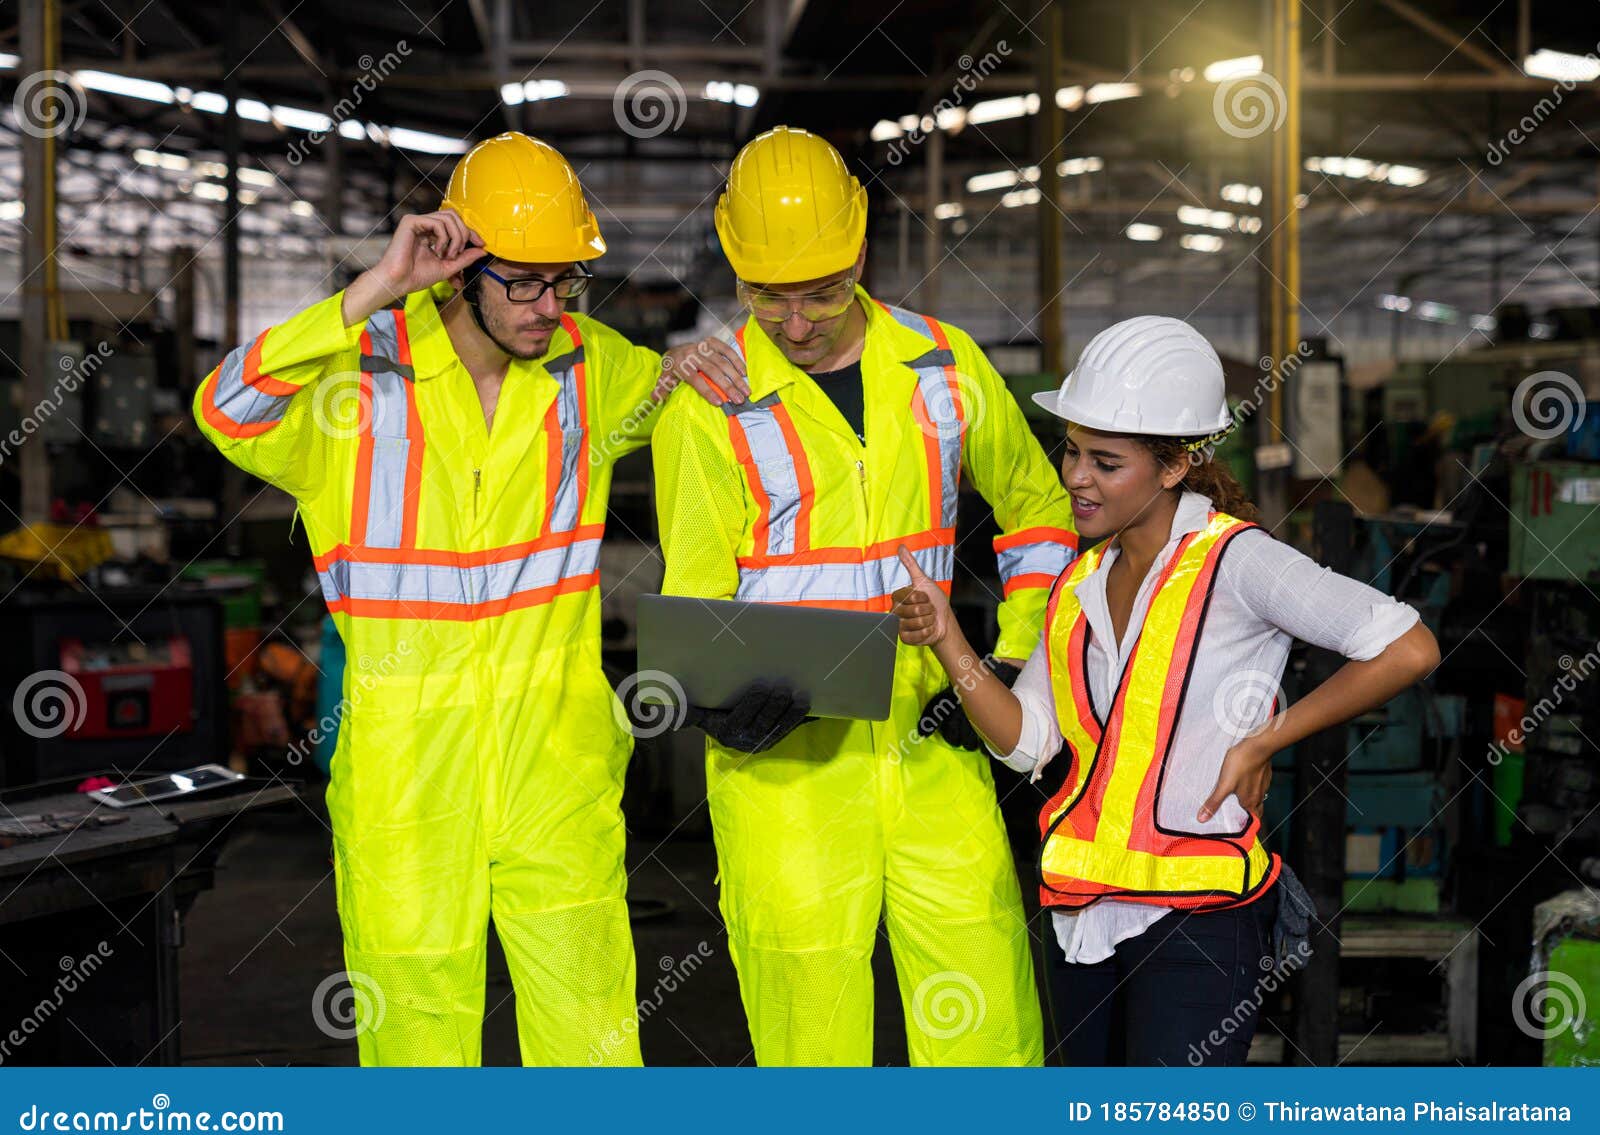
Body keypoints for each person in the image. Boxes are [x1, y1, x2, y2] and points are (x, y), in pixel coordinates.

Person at [193, 132, 742, 1066]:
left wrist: (691, 368)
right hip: (409, 773)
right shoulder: (357, 374)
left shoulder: (586, 366)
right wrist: (373, 286)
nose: (549, 306)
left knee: (590, 1029)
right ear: (459, 273)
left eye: (565, 281)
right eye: (523, 283)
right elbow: (227, 408)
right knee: (416, 1031)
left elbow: (670, 393)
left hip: (555, 763)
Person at [891, 315, 1440, 1066]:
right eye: (1073, 451)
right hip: (1080, 921)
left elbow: (1406, 644)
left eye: (1105, 462)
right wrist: (951, 641)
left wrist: (1267, 738)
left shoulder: (1238, 562)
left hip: (1200, 928)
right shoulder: (1076, 586)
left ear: (1175, 466)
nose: (1075, 477)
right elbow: (1027, 744)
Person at [651, 126, 1078, 1065]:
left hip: (937, 752)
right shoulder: (707, 403)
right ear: (735, 272)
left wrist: (1018, 659)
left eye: (821, 294)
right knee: (812, 1041)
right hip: (786, 782)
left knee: (987, 1031)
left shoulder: (944, 364)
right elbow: (694, 594)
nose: (796, 324)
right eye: (768, 297)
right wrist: (716, 701)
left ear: (861, 255)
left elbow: (1039, 510)